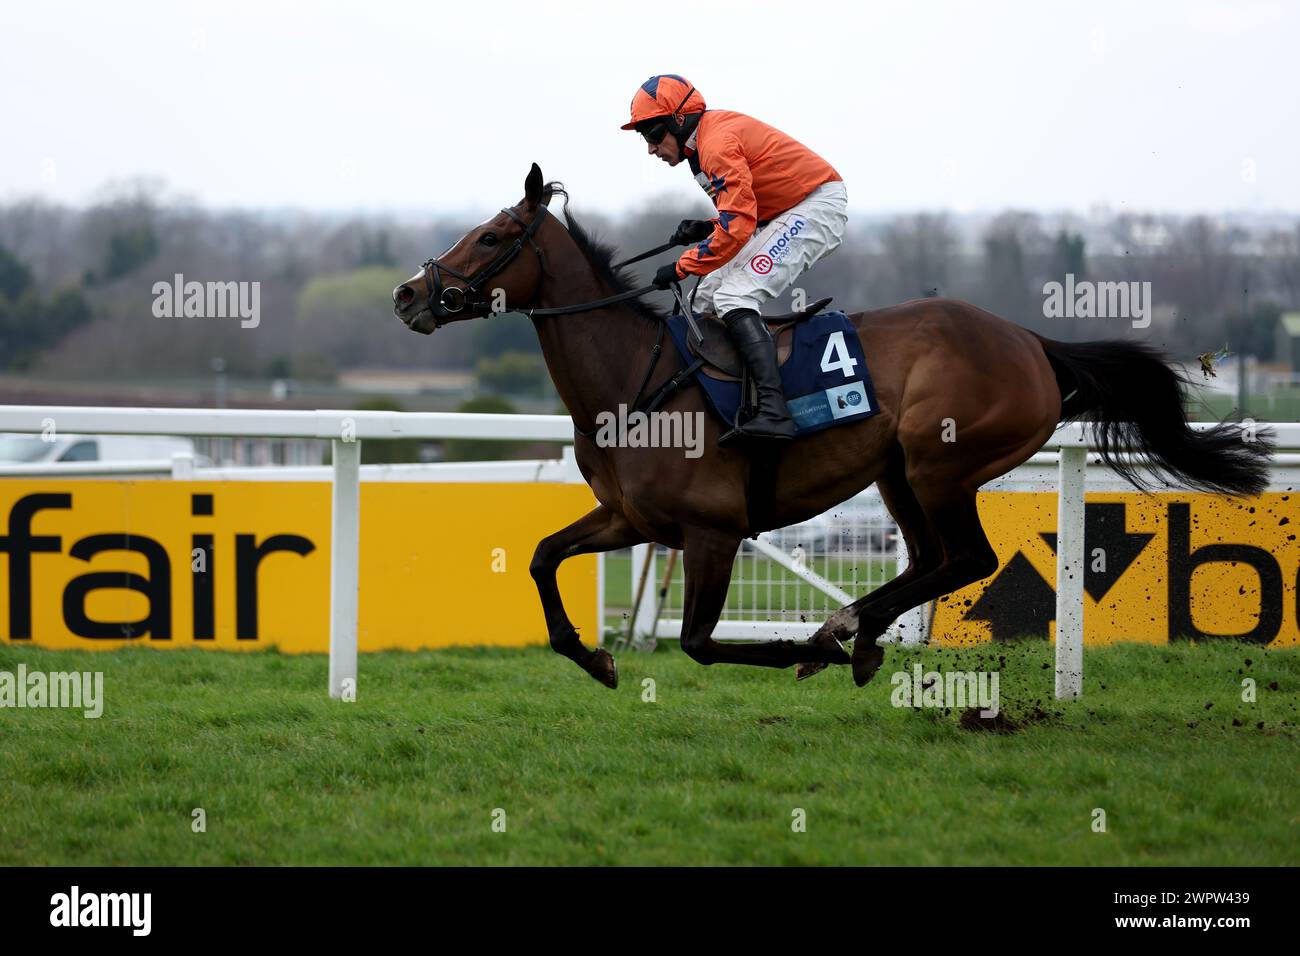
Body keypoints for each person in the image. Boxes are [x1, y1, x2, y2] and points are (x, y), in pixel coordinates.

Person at [622, 74, 849, 442]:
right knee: (705, 297)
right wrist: (705, 229)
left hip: (814, 206)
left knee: (734, 296)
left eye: (651, 133)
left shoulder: (716, 144)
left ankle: (775, 412)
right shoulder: (699, 149)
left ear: (679, 121)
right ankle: (720, 400)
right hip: (778, 212)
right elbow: (737, 215)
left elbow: (740, 225)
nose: (650, 148)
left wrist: (683, 266)